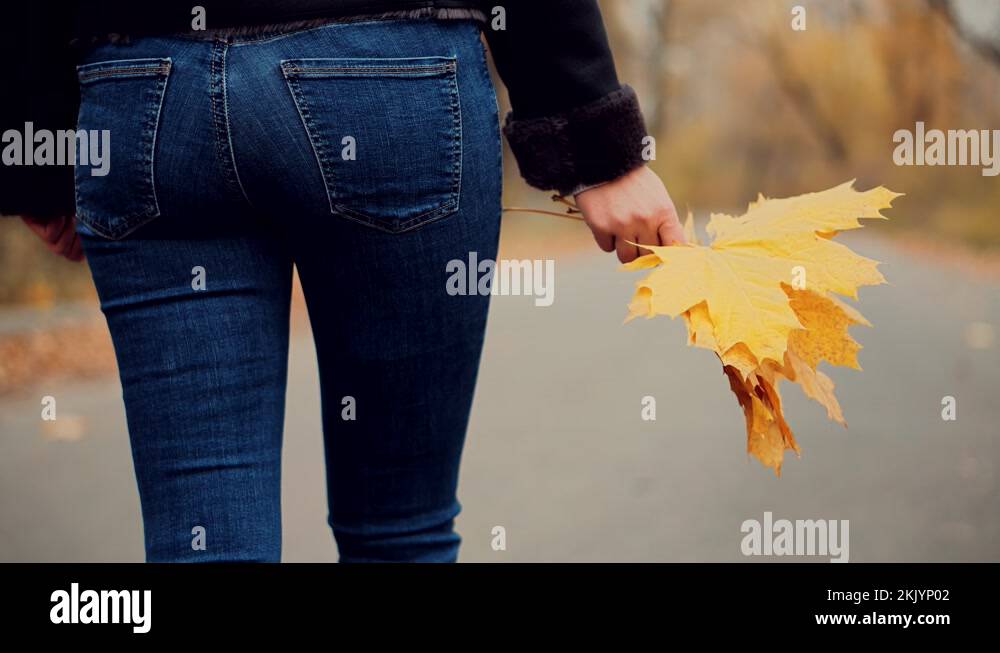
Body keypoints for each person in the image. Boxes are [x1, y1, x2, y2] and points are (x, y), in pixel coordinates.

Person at [0, 1, 684, 562]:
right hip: (392, 75)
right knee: (400, 533)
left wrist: (35, 139)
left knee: (200, 541)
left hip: (147, 89)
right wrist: (595, 139)